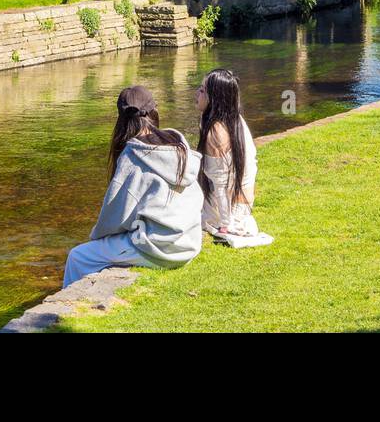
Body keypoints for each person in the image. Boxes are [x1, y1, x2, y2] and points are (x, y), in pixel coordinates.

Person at [62, 85, 203, 288]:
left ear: (122, 119)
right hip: (188, 241)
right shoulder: (177, 144)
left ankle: (65, 313)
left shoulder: (133, 155)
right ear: (154, 111)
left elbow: (114, 217)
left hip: (160, 249)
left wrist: (96, 238)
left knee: (78, 256)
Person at [196, 69, 273, 247]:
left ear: (214, 99)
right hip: (238, 203)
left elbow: (221, 185)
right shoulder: (234, 120)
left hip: (230, 212)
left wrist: (225, 225)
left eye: (202, 91)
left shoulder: (216, 132)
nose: (197, 94)